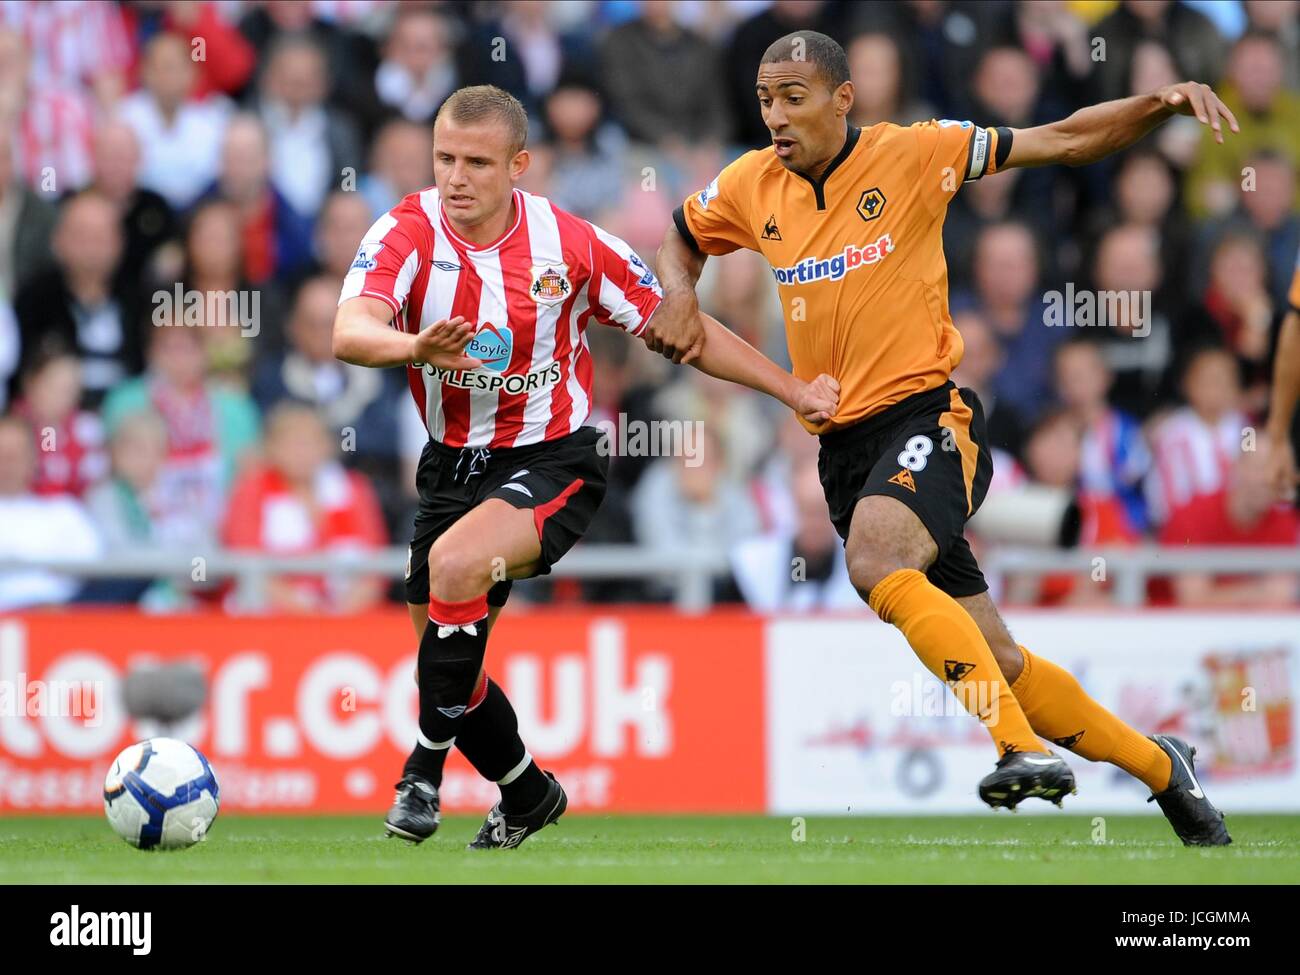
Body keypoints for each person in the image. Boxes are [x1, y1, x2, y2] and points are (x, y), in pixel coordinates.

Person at [652, 30, 1237, 844]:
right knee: (999, 659)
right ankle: (1164, 767)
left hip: (931, 419)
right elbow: (678, 237)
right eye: (764, 100)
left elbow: (1064, 137)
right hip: (844, 449)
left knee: (874, 560)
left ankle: (1016, 747)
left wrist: (1157, 101)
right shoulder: (751, 184)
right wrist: (679, 290)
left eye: (793, 98)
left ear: (842, 99)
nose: (776, 116)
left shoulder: (918, 152)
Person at [332, 84, 837, 850]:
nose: (456, 178)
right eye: (444, 159)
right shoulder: (406, 230)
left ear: (519, 166)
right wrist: (413, 347)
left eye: (476, 161)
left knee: (455, 566)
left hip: (554, 457)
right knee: (446, 671)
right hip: (450, 468)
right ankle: (527, 791)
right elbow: (348, 329)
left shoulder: (571, 245)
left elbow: (684, 329)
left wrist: (793, 389)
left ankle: (421, 772)